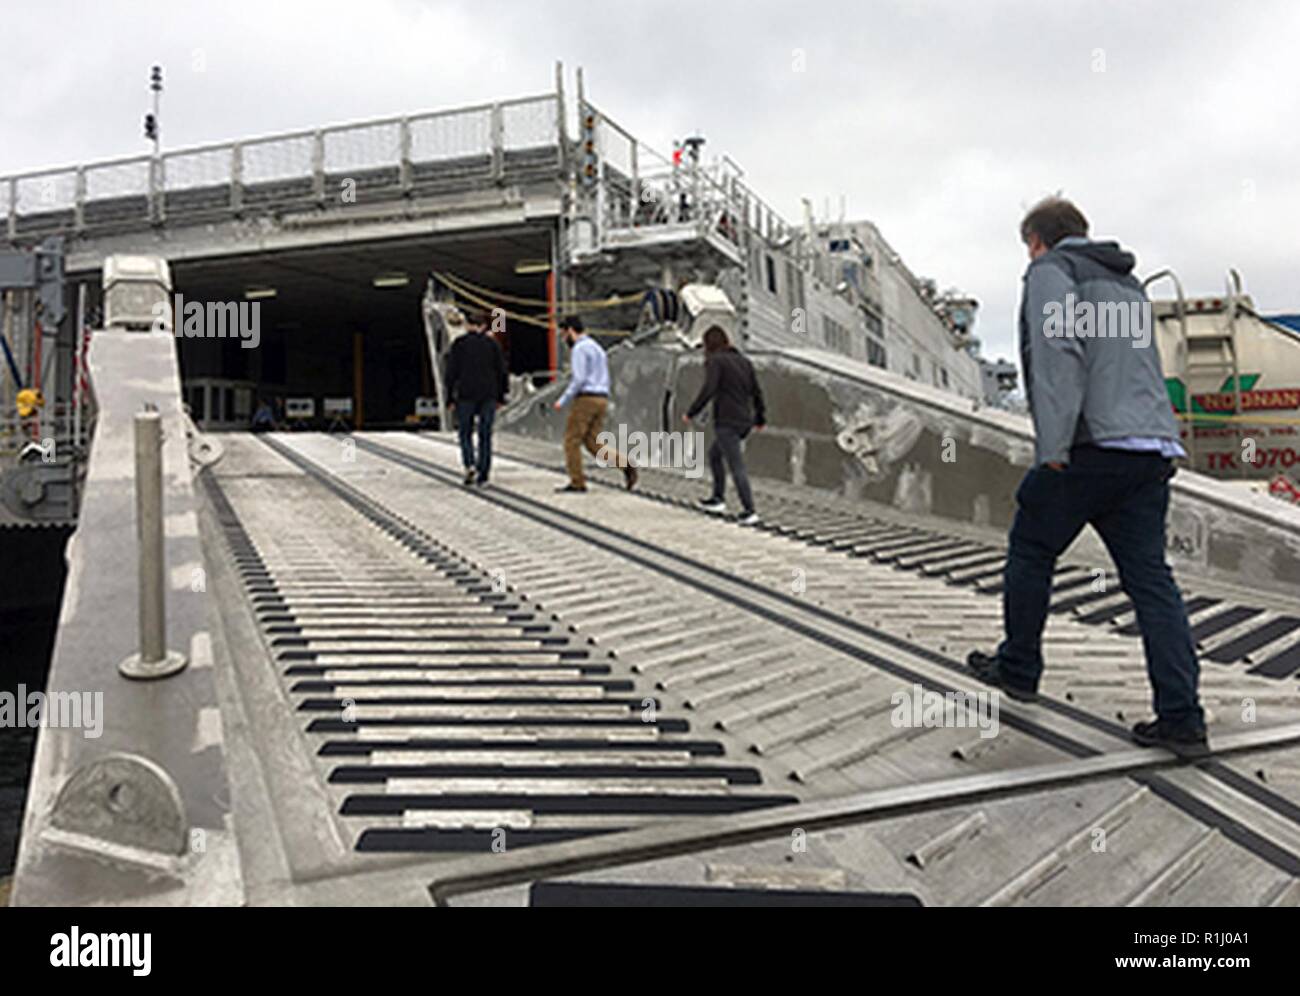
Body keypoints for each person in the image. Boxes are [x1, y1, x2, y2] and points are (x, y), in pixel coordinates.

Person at [967, 196, 1206, 757]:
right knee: (1152, 582)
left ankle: (1019, 666)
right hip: (1148, 451)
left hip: (1088, 446)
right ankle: (1182, 716)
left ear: (1036, 240)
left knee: (1031, 548)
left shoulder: (1053, 271)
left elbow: (1058, 351)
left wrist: (1053, 445)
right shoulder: (1129, 286)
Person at [683, 325, 765, 525]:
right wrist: (760, 418)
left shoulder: (715, 361)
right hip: (744, 420)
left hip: (727, 420)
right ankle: (717, 499)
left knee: (736, 465)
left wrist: (691, 412)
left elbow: (709, 389)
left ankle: (750, 510)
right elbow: (757, 391)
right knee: (715, 455)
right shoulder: (744, 362)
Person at [552, 316, 637, 492]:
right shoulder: (597, 347)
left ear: (570, 330)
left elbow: (579, 378)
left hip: (586, 398)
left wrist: (563, 399)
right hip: (601, 398)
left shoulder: (579, 349)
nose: (562, 338)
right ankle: (625, 464)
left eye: (563, 334)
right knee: (592, 443)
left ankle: (577, 482)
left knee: (571, 441)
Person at [444, 317, 507, 486]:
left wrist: (449, 397)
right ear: (483, 326)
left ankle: (469, 463)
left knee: (465, 432)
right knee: (485, 434)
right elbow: (501, 371)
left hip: (466, 394)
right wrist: (501, 396)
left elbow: (451, 373)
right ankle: (483, 474)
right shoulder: (492, 344)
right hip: (488, 394)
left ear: (467, 325)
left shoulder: (459, 344)